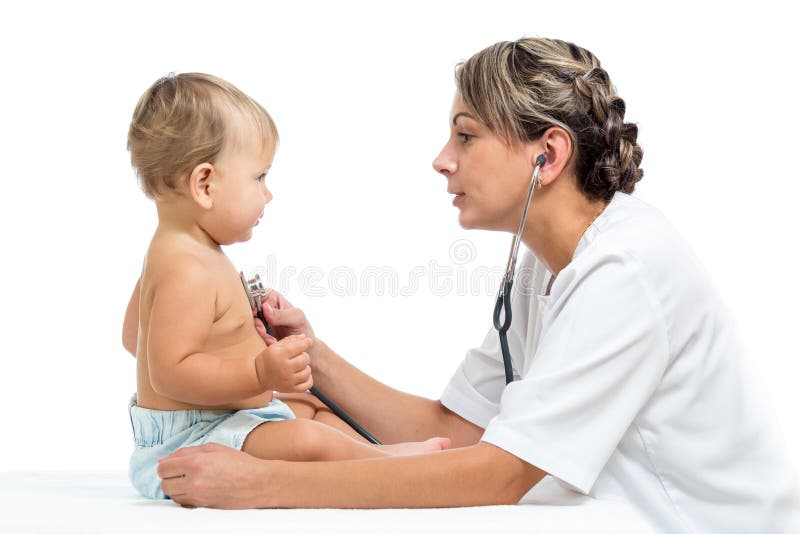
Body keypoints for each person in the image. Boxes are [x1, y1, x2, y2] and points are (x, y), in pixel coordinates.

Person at [153, 40, 798, 533]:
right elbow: (458, 430)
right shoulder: (542, 260)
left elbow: (501, 475)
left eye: (467, 135)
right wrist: (310, 358)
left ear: (546, 155)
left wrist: (259, 486)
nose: (442, 158)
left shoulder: (626, 269)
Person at [121, 73, 450, 500]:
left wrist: (236, 335)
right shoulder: (188, 267)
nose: (268, 194)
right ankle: (394, 465)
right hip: (187, 445)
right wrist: (257, 371)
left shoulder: (176, 253)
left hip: (219, 421)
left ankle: (374, 450)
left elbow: (135, 339)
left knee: (312, 410)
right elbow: (167, 373)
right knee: (308, 440)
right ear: (205, 185)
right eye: (259, 177)